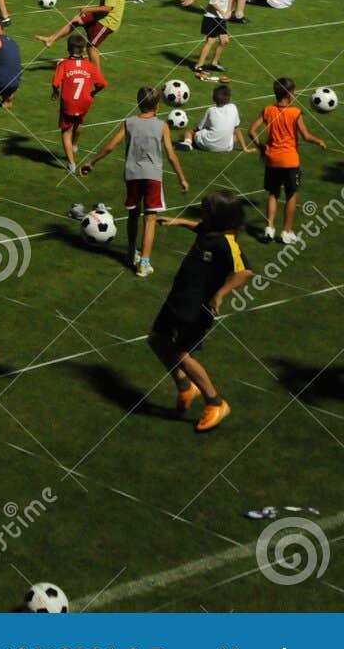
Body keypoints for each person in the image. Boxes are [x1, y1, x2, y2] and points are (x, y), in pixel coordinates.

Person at [148, 190, 251, 433]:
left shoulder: (228, 243)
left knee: (182, 354)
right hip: (178, 299)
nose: (202, 213)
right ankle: (185, 386)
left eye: (205, 210)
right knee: (156, 339)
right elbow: (199, 227)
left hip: (197, 308)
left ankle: (216, 402)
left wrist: (220, 293)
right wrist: (178, 221)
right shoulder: (210, 230)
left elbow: (245, 271)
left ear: (217, 216)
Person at [81, 87, 190, 277]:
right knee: (150, 219)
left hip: (132, 175)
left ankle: (131, 253)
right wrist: (181, 177)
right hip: (153, 176)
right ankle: (144, 263)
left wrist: (92, 161)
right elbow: (171, 155)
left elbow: (110, 146)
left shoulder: (129, 123)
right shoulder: (162, 125)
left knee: (133, 215)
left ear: (138, 103)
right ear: (157, 105)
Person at [250, 76, 327, 244]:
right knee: (291, 194)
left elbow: (252, 131)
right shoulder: (295, 112)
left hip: (272, 160)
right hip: (290, 161)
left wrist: (262, 147)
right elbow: (305, 136)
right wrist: (318, 141)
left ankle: (269, 228)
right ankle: (286, 231)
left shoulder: (268, 110)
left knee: (273, 193)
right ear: (290, 95)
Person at [51, 36, 106, 174]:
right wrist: (94, 92)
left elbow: (55, 83)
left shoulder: (63, 64)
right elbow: (102, 84)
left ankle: (71, 163)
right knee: (79, 123)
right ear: (83, 50)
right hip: (85, 101)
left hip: (69, 103)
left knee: (66, 131)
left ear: (68, 48)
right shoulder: (89, 65)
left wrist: (55, 92)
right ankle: (75, 144)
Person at [178, 0, 237, 77]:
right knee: (210, 41)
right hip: (212, 17)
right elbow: (213, 1)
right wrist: (224, 13)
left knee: (225, 41)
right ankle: (198, 66)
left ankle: (214, 63)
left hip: (218, 17)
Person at [177, 84, 252, 154]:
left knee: (189, 132)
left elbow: (199, 128)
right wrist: (245, 148)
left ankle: (187, 143)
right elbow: (237, 129)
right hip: (226, 147)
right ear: (229, 97)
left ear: (214, 98)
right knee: (235, 137)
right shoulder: (233, 107)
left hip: (206, 145)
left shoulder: (211, 110)